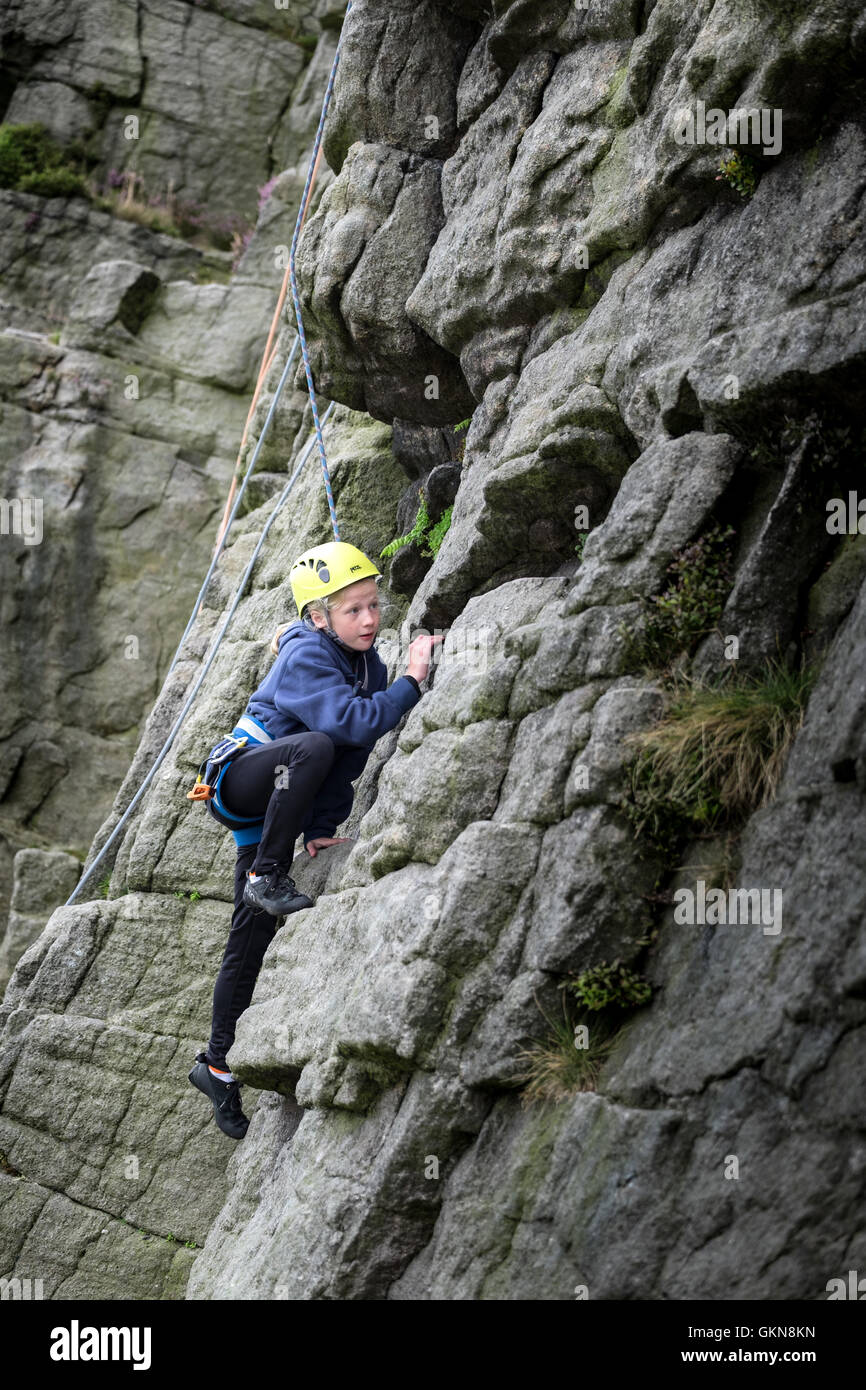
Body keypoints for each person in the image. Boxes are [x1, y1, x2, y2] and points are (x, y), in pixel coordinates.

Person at [188, 540, 442, 1138]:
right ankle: (264, 876)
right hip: (242, 777)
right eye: (353, 610)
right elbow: (350, 726)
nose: (371, 619)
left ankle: (217, 1064)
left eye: (374, 606)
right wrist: (412, 679)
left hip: (276, 797)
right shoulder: (305, 650)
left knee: (249, 938)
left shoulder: (365, 663)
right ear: (317, 617)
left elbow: (352, 752)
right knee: (319, 742)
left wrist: (324, 828)